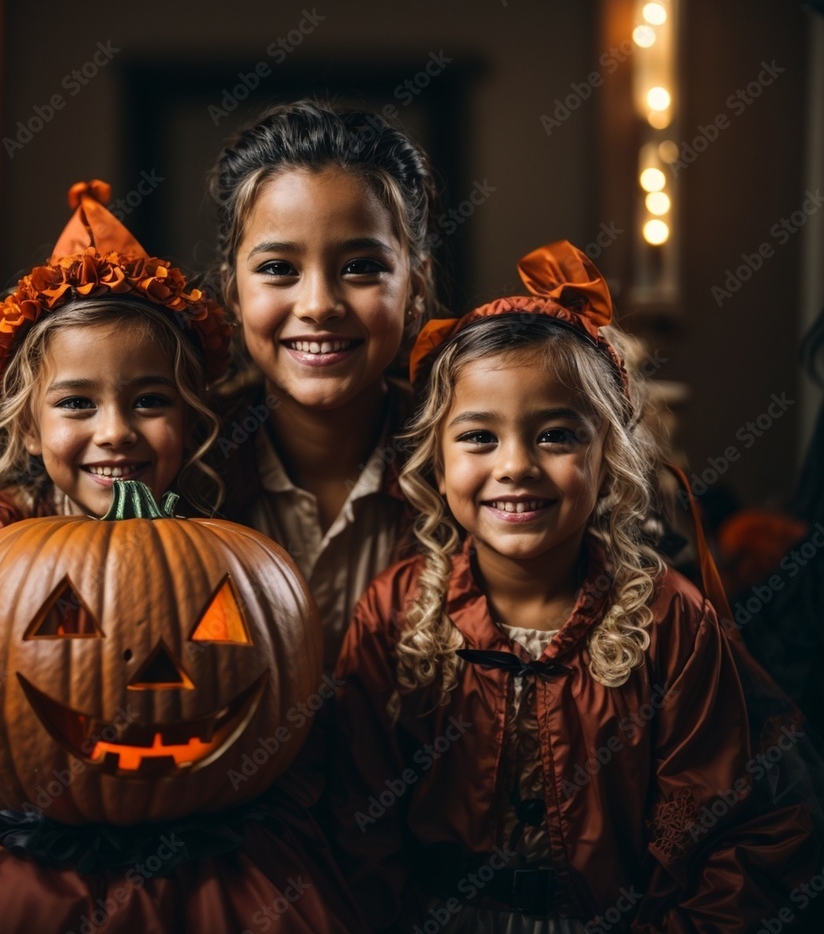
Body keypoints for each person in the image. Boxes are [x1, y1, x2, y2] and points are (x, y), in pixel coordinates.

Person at [0, 181, 367, 934]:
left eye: (149, 401)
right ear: (29, 428)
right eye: (77, 404)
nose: (116, 432)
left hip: (205, 855)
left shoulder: (219, 539)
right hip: (41, 857)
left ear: (191, 416)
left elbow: (272, 716)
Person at [327, 241, 820, 932]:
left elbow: (727, 832)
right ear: (435, 457)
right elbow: (358, 823)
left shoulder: (671, 621)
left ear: (607, 455)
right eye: (478, 437)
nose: (516, 466)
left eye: (556, 435)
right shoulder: (393, 610)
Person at [207, 98, 443, 669]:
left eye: (361, 266)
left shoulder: (470, 469)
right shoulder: (180, 464)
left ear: (414, 290)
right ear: (233, 295)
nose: (319, 305)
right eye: (278, 269)